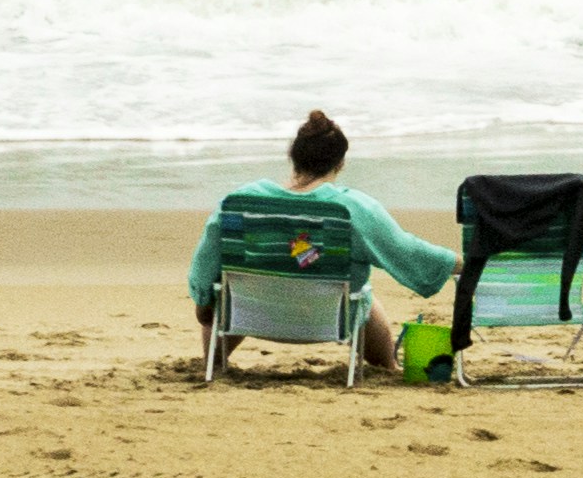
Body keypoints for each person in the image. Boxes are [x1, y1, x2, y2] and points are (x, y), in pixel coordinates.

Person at [188, 108, 457, 376]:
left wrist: (203, 305)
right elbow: (406, 253)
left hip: (248, 316)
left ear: (293, 157)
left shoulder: (239, 203)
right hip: (330, 320)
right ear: (340, 163)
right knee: (364, 296)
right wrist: (462, 263)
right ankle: (387, 366)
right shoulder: (355, 208)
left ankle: (216, 363)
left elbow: (204, 266)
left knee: (232, 287)